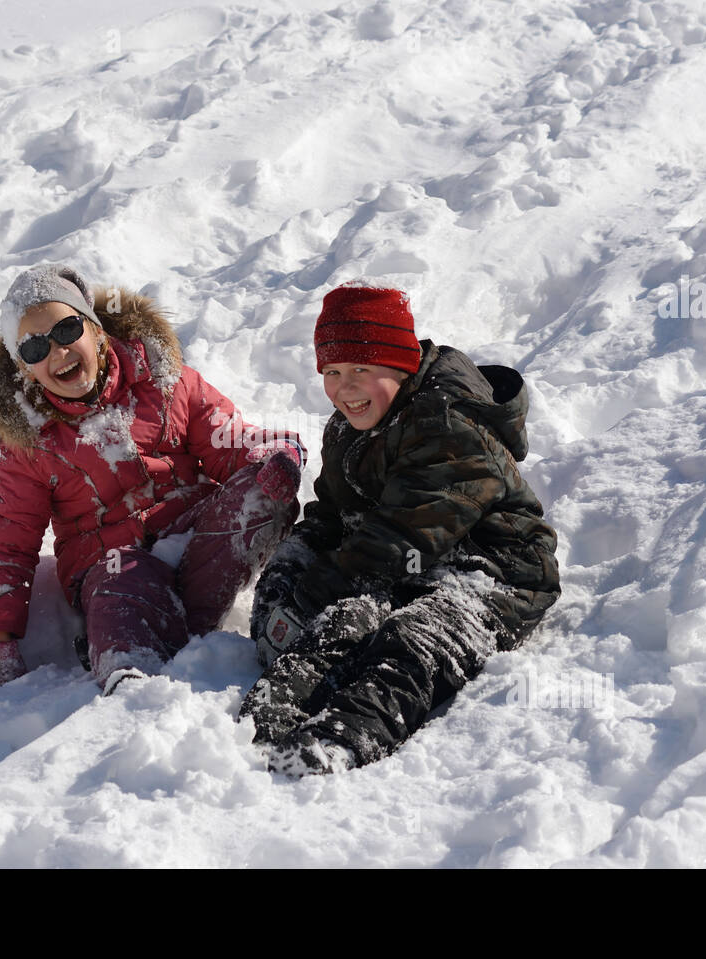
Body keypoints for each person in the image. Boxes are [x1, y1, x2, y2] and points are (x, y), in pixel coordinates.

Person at [240, 284, 560, 774]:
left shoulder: (448, 424)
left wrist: (316, 591)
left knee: (412, 641)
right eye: (332, 372)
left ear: (402, 365)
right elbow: (333, 510)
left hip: (490, 568)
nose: (344, 387)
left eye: (361, 370)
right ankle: (266, 713)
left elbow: (402, 538)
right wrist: (300, 565)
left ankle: (339, 739)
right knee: (343, 615)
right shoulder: (351, 423)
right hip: (402, 563)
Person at [0, 264, 304, 695]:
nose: (57, 353)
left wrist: (274, 455)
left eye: (67, 330)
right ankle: (130, 676)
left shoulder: (166, 384)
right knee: (118, 588)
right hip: (111, 560)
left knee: (262, 489)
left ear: (96, 330)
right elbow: (7, 541)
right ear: (24, 369)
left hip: (195, 540)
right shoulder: (30, 444)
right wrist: (0, 641)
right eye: (34, 348)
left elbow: (229, 440)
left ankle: (180, 628)